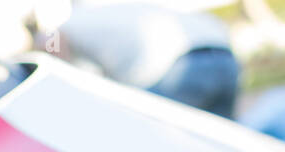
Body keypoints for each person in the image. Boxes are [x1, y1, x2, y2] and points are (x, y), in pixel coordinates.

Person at [50, 1, 240, 118]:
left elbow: (52, 48)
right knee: (223, 144)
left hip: (177, 67)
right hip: (223, 56)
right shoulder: (117, 11)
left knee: (153, 139)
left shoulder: (68, 24)